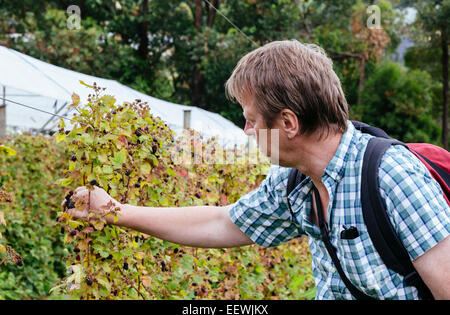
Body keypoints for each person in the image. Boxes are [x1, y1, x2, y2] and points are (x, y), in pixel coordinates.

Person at [63, 40, 450, 300]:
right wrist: (113, 211)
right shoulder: (295, 183)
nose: (246, 131)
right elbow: (224, 223)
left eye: (250, 120)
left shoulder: (392, 179)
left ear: (287, 123)